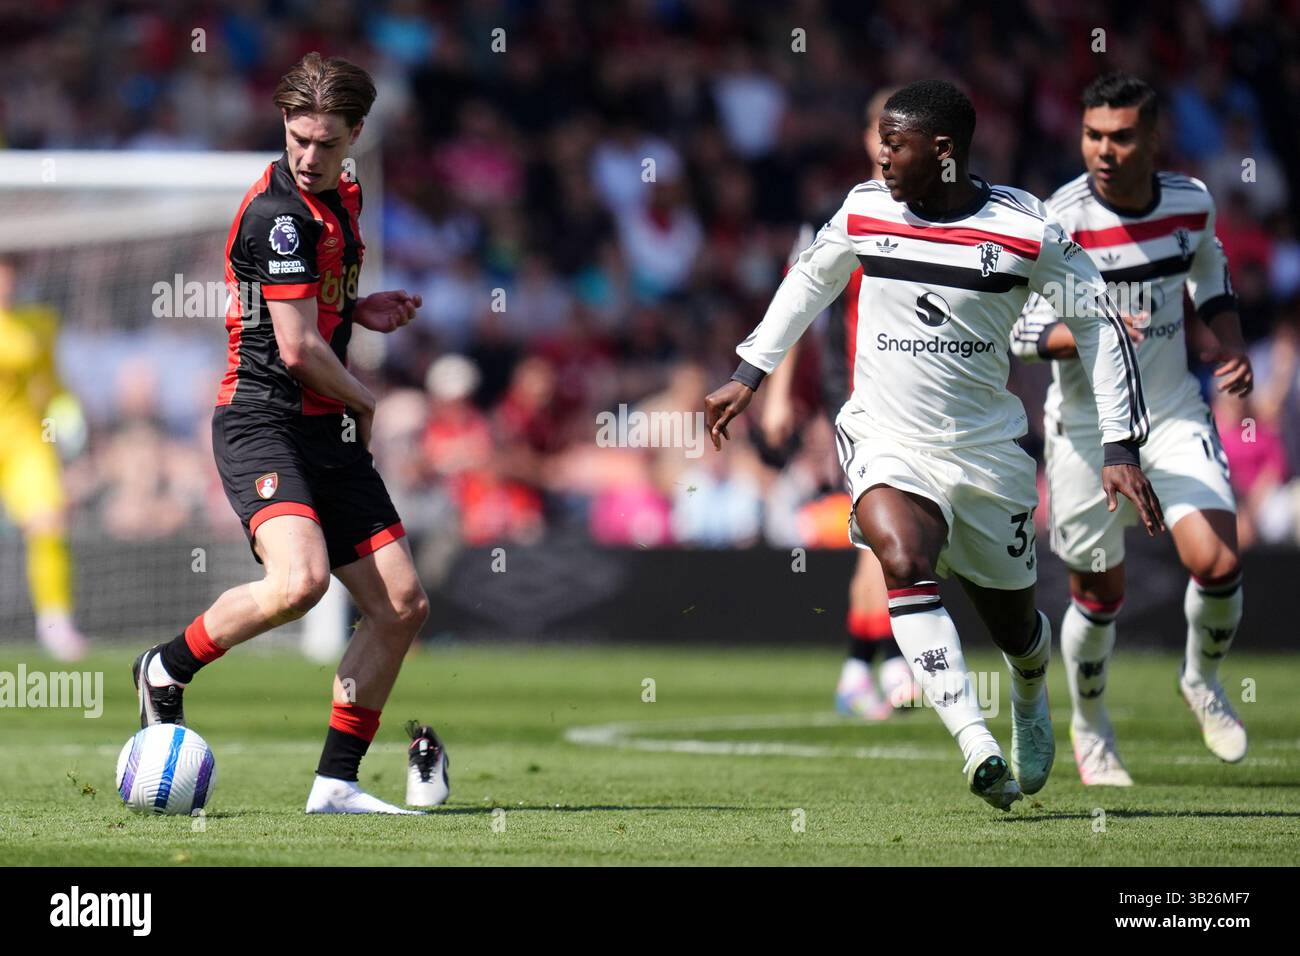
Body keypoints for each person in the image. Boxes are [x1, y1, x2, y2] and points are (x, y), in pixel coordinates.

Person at [706, 80, 1163, 810]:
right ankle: (975, 745)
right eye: (880, 141)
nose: (880, 155)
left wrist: (1120, 446)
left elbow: (1101, 326)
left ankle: (1028, 691)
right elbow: (808, 282)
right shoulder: (864, 209)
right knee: (901, 556)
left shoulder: (1027, 231)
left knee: (1014, 625)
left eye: (895, 143)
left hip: (985, 454)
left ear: (942, 150)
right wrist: (748, 373)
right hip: (886, 434)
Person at [131, 53, 448, 814]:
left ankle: (336, 785)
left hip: (321, 426)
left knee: (401, 605)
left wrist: (358, 308)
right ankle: (164, 668)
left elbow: (318, 302)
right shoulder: (279, 214)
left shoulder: (347, 192)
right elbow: (298, 348)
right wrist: (367, 401)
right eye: (297, 137)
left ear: (356, 136)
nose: (307, 155)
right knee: (300, 581)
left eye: (325, 142)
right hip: (262, 419)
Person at [1012, 73, 1251, 784]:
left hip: (1172, 409)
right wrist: (1098, 330)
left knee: (1218, 562)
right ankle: (1090, 724)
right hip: (1087, 428)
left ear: (1153, 139)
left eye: (1120, 136)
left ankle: (1200, 679)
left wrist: (1228, 341)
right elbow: (1025, 332)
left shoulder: (1191, 203)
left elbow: (1211, 277)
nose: (1104, 151)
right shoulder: (1061, 221)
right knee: (1100, 594)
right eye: (1093, 136)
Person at [760, 89, 920, 720]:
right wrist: (775, 393)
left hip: (926, 399)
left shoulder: (943, 216)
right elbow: (796, 303)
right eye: (884, 132)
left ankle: (866, 666)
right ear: (866, 139)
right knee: (887, 532)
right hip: (857, 397)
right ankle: (887, 665)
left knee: (896, 535)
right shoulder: (840, 215)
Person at [0, 256, 89, 661]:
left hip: (24, 443)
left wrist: (67, 413)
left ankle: (55, 623)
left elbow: (53, 384)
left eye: (11, 275)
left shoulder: (39, 324)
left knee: (48, 521)